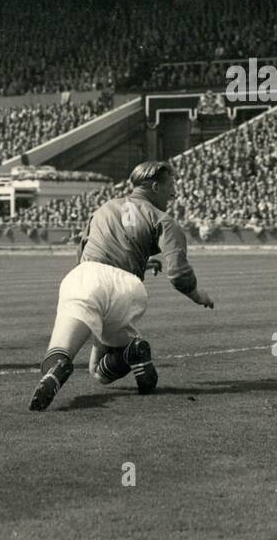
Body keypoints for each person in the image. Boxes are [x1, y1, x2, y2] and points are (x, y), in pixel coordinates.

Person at [28, 160, 215, 411]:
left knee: (61, 352)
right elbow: (179, 275)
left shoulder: (104, 208)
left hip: (86, 278)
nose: (174, 193)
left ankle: (55, 372)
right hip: (129, 289)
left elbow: (84, 253)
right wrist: (198, 294)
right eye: (171, 186)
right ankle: (131, 353)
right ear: (155, 186)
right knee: (100, 372)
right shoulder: (164, 220)